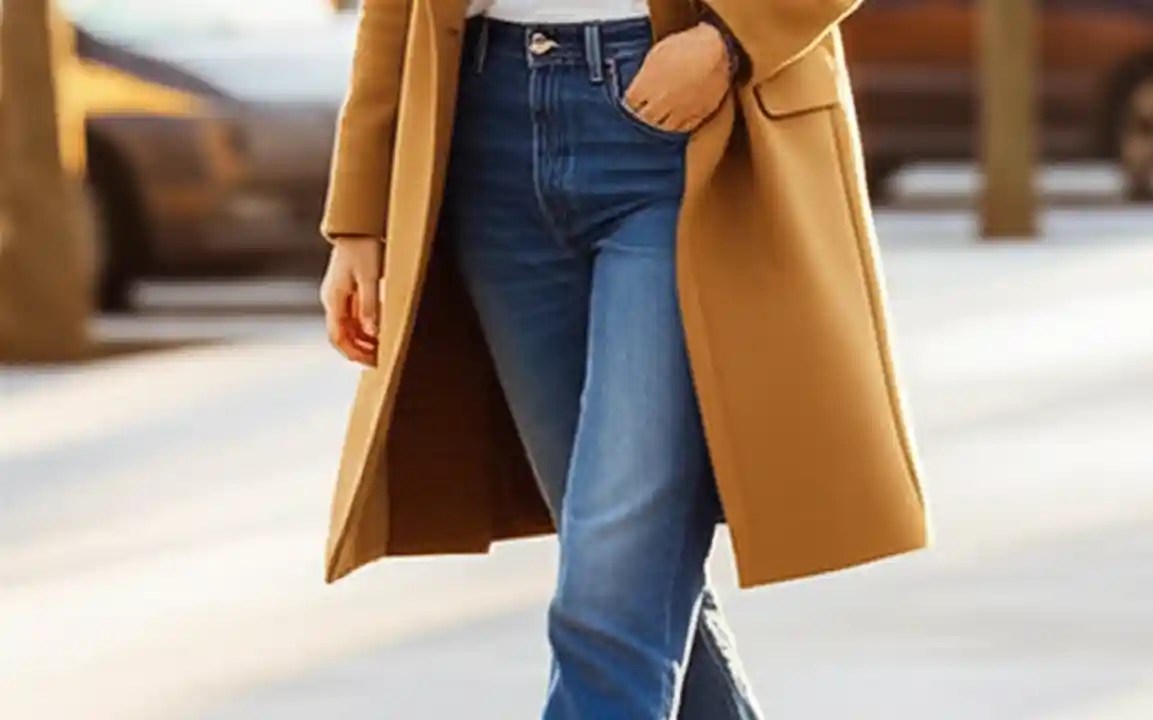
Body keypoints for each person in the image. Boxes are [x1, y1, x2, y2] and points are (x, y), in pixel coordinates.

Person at [318, 1, 929, 717]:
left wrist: (730, 40)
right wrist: (360, 212)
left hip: (680, 126)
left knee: (612, 577)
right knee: (624, 565)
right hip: (486, 135)